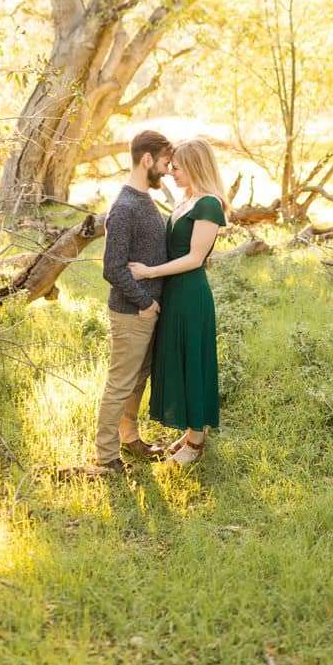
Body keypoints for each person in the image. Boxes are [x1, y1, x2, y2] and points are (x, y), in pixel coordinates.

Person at [75, 129, 172, 477]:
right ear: (147, 160)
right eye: (164, 162)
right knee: (120, 383)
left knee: (138, 378)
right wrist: (145, 302)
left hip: (148, 312)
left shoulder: (146, 200)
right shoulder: (125, 206)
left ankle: (130, 437)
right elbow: (112, 268)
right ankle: (106, 456)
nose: (167, 169)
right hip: (132, 312)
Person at [130, 136, 227, 467]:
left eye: (177, 167)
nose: (170, 172)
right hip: (173, 293)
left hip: (190, 294)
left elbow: (195, 258)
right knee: (179, 359)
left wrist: (148, 271)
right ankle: (189, 432)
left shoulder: (209, 204)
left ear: (196, 166)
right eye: (170, 166)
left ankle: (197, 443)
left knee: (193, 362)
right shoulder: (187, 199)